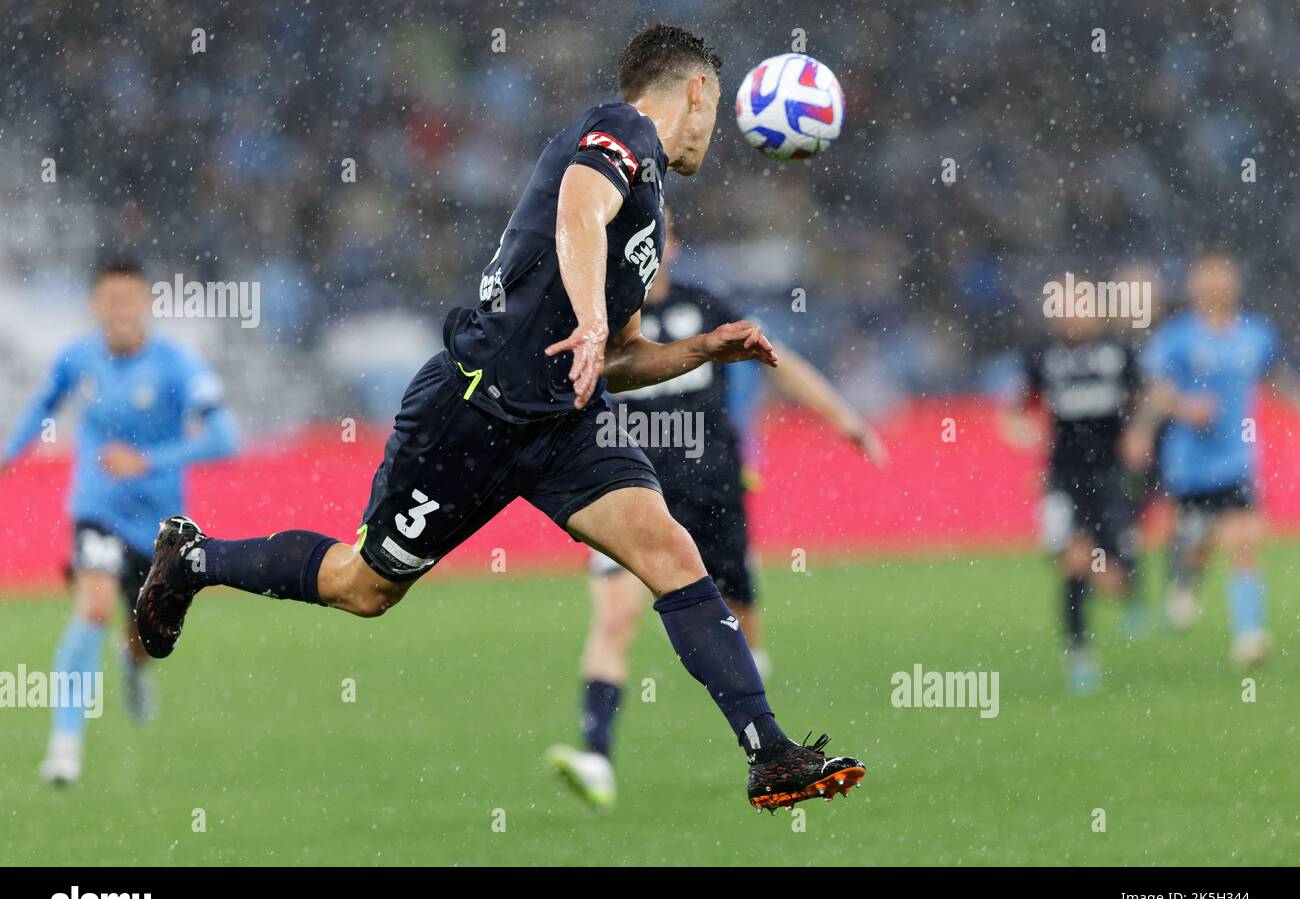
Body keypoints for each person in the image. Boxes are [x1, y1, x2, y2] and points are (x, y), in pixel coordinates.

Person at [134, 24, 865, 812]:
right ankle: (196, 564)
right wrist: (588, 322)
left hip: (562, 423)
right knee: (363, 587)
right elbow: (578, 212)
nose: (711, 134)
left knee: (672, 552)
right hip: (473, 408)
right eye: (713, 111)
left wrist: (702, 350)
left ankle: (770, 755)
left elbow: (615, 354)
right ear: (694, 92)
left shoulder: (650, 204)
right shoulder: (619, 131)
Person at [546, 207, 885, 808]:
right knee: (614, 621)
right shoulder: (598, 320)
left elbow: (782, 364)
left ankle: (763, 737)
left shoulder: (707, 307)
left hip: (714, 492)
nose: (645, 247)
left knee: (744, 625)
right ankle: (596, 757)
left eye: (656, 235)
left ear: (671, 245)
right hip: (631, 495)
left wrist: (846, 421)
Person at [0, 257, 238, 784]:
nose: (120, 311)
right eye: (110, 301)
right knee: (92, 606)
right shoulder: (77, 359)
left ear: (147, 303)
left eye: (129, 300)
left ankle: (132, 663)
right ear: (95, 305)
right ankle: (64, 748)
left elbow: (226, 438)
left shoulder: (177, 365)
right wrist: (9, 454)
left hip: (158, 528)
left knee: (141, 636)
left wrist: (149, 461)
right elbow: (43, 405)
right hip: (98, 510)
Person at [1125, 254, 1300, 666]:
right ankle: (1185, 580)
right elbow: (1155, 390)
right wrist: (1172, 414)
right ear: (1194, 287)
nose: (1217, 287)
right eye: (1208, 280)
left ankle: (1249, 636)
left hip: (1236, 458)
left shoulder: (1256, 334)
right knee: (1199, 542)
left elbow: (1280, 382)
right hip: (1188, 464)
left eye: (1223, 279)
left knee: (1243, 540)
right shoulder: (1177, 337)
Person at [1001, 274, 1142, 692]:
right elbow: (1015, 410)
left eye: (1081, 305)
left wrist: (1140, 433)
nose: (1073, 316)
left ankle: (1128, 590)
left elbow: (1144, 399)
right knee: (1074, 562)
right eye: (1065, 307)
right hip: (1064, 478)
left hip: (1111, 476)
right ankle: (1079, 653)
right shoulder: (1043, 357)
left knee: (1117, 573)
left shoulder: (1118, 354)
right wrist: (1024, 433)